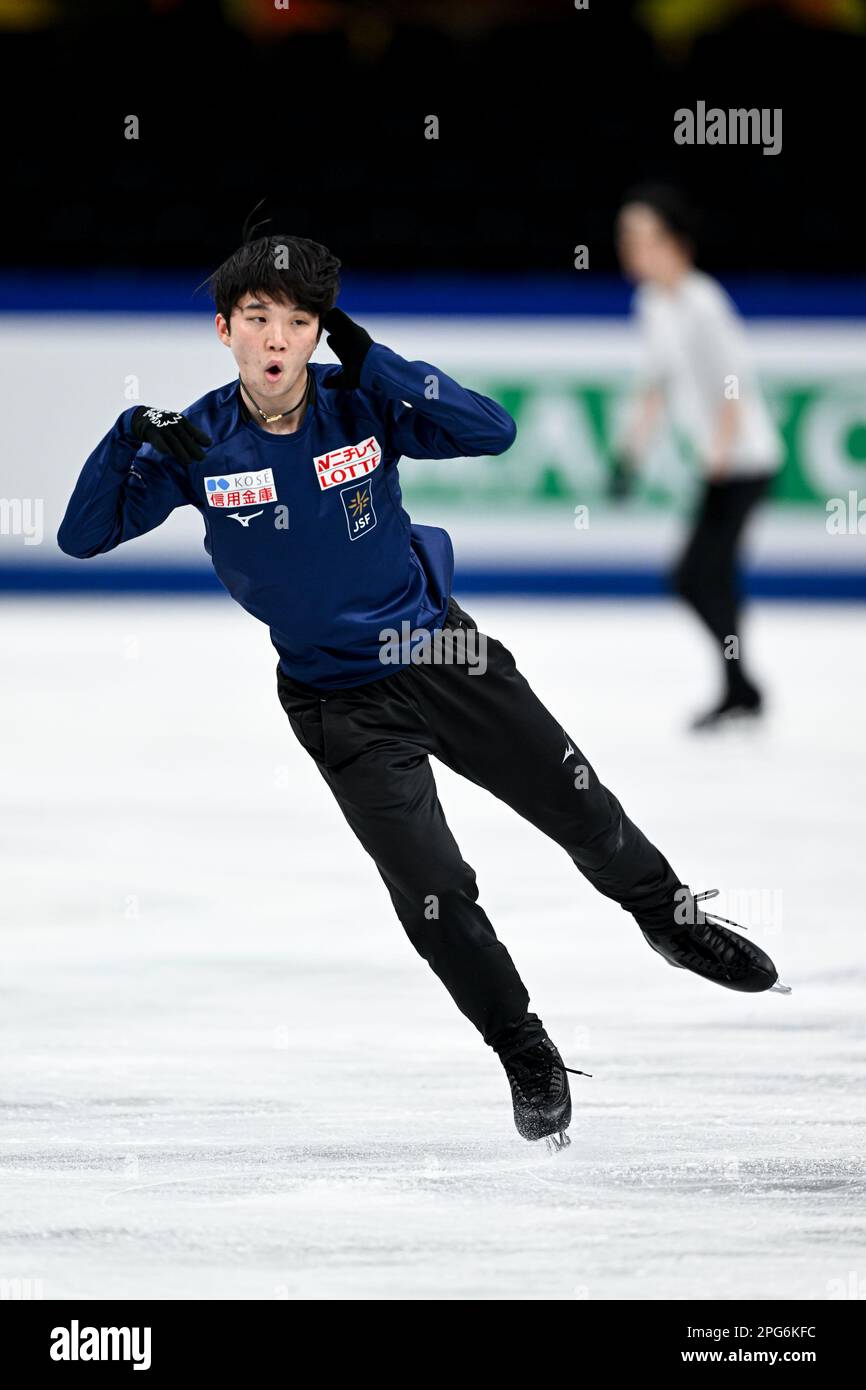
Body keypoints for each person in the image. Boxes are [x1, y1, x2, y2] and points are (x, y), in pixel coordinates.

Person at [58, 233, 786, 1150]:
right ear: (225, 331)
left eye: (299, 321)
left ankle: (670, 919)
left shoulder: (361, 401)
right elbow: (81, 539)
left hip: (444, 656)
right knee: (435, 891)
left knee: (581, 807)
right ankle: (524, 1049)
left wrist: (378, 362)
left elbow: (492, 429)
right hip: (337, 703)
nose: (278, 339)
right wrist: (129, 436)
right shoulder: (196, 442)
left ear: (322, 333)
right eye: (258, 321)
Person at [613, 184, 783, 730]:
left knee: (697, 575)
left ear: (673, 242)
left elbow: (735, 381)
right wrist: (630, 453)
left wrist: (720, 445)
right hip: (721, 465)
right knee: (708, 578)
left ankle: (741, 685)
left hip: (746, 463)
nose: (630, 248)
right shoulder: (652, 304)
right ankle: (740, 687)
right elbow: (656, 383)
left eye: (640, 237)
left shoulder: (702, 301)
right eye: (626, 237)